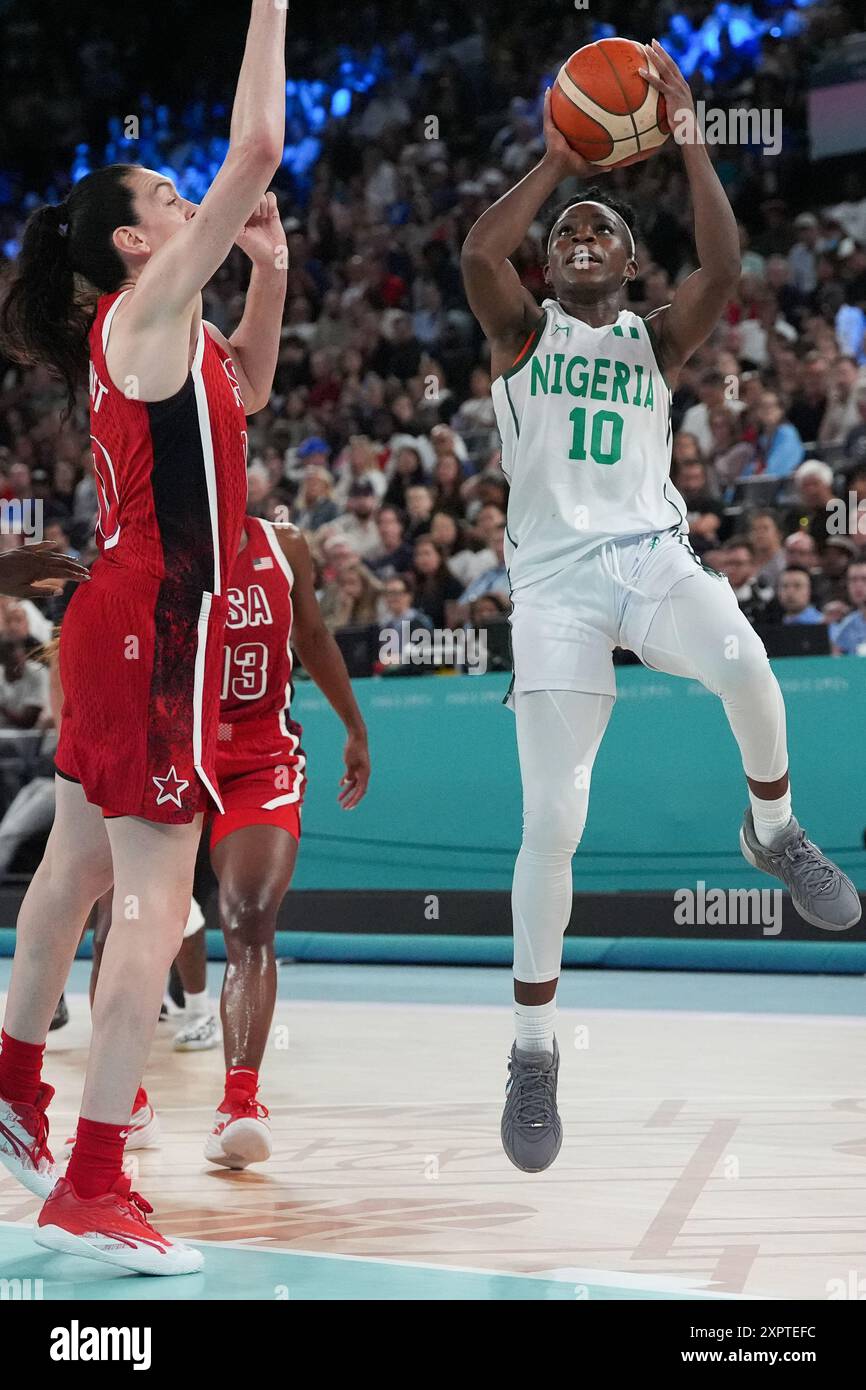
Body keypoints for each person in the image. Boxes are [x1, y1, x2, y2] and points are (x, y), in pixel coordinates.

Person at [460, 41, 860, 1176]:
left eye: (603, 231)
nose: (581, 239)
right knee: (553, 821)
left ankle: (771, 830)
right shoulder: (519, 332)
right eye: (568, 233)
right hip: (549, 592)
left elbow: (724, 262)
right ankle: (533, 1048)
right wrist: (554, 163)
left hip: (648, 558)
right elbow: (479, 247)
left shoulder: (653, 336)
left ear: (632, 264)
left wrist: (687, 142)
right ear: (551, 262)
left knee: (742, 662)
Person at [0, 0, 288, 1274]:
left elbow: (257, 389)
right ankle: (96, 1183)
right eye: (169, 195)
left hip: (117, 615)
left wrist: (272, 275)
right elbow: (259, 145)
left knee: (73, 874)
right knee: (152, 909)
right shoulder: (147, 306)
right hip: (157, 625)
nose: (191, 201)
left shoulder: (177, 334)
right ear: (133, 239)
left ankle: (12, 1083)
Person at [83, 519, 371, 1167]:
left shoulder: (284, 543)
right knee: (123, 922)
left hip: (260, 755)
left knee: (249, 917)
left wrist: (355, 728)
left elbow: (315, 635)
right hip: (168, 749)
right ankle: (121, 1097)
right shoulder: (147, 549)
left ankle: (240, 1104)